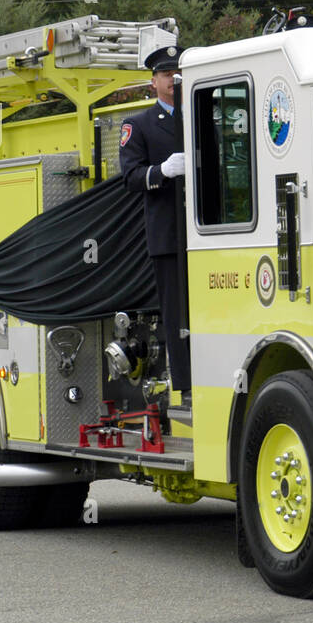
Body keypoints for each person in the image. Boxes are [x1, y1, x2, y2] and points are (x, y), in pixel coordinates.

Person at [120, 45, 191, 401]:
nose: (173, 81)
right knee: (178, 317)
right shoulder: (140, 124)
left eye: (178, 74)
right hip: (168, 234)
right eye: (166, 75)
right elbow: (130, 176)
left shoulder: (198, 113)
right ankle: (185, 388)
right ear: (153, 82)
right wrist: (160, 171)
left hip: (203, 232)